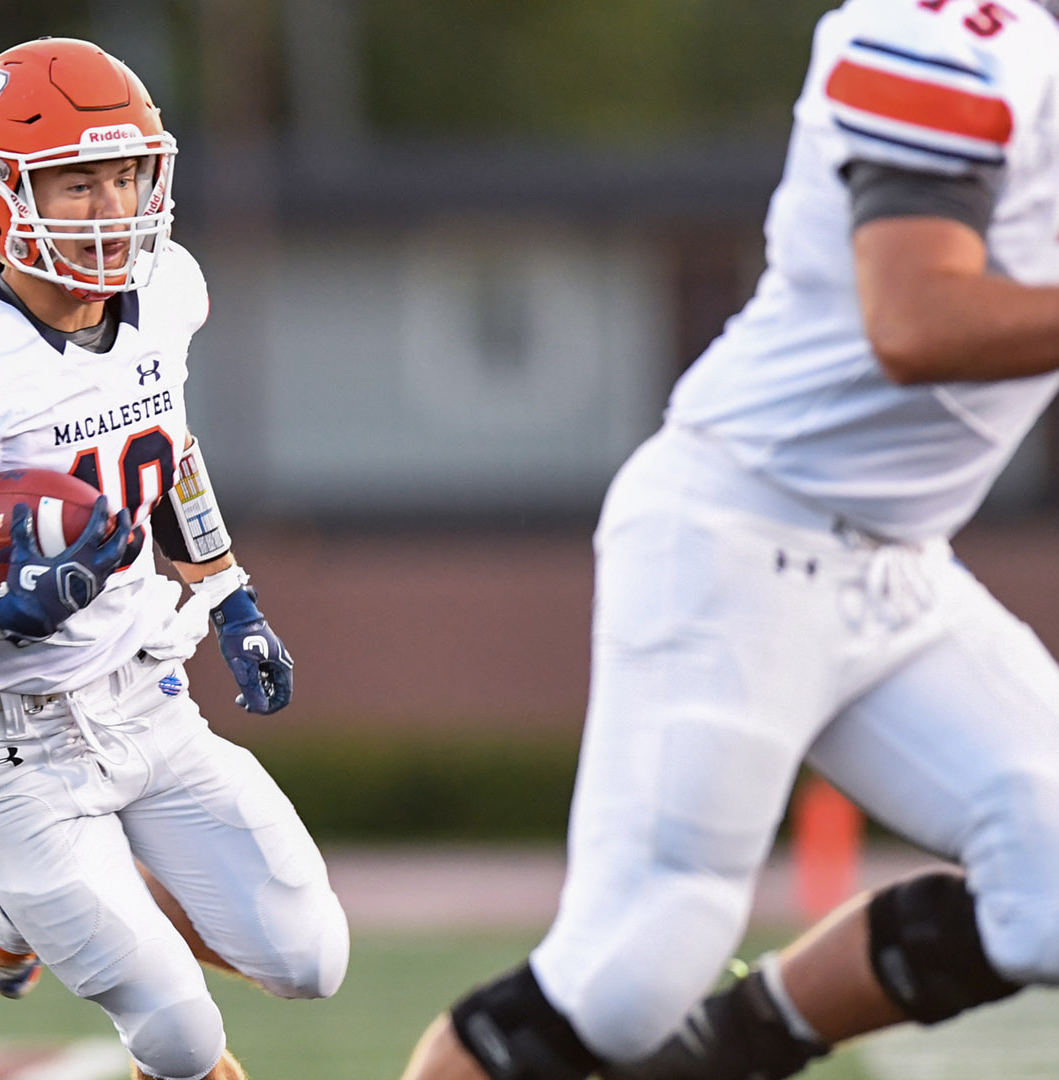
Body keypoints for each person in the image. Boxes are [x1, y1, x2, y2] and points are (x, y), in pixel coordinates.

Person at [398, 1, 1059, 1078]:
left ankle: (720, 1055)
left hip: (900, 565)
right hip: (744, 528)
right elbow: (917, 321)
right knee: (627, 968)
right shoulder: (949, 28)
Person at [0, 38, 349, 1080]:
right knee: (178, 1033)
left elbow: (166, 449)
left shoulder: (167, 291)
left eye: (126, 174)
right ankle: (44, 894)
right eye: (76, 182)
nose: (112, 206)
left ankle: (33, 907)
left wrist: (229, 592)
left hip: (143, 694)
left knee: (311, 960)